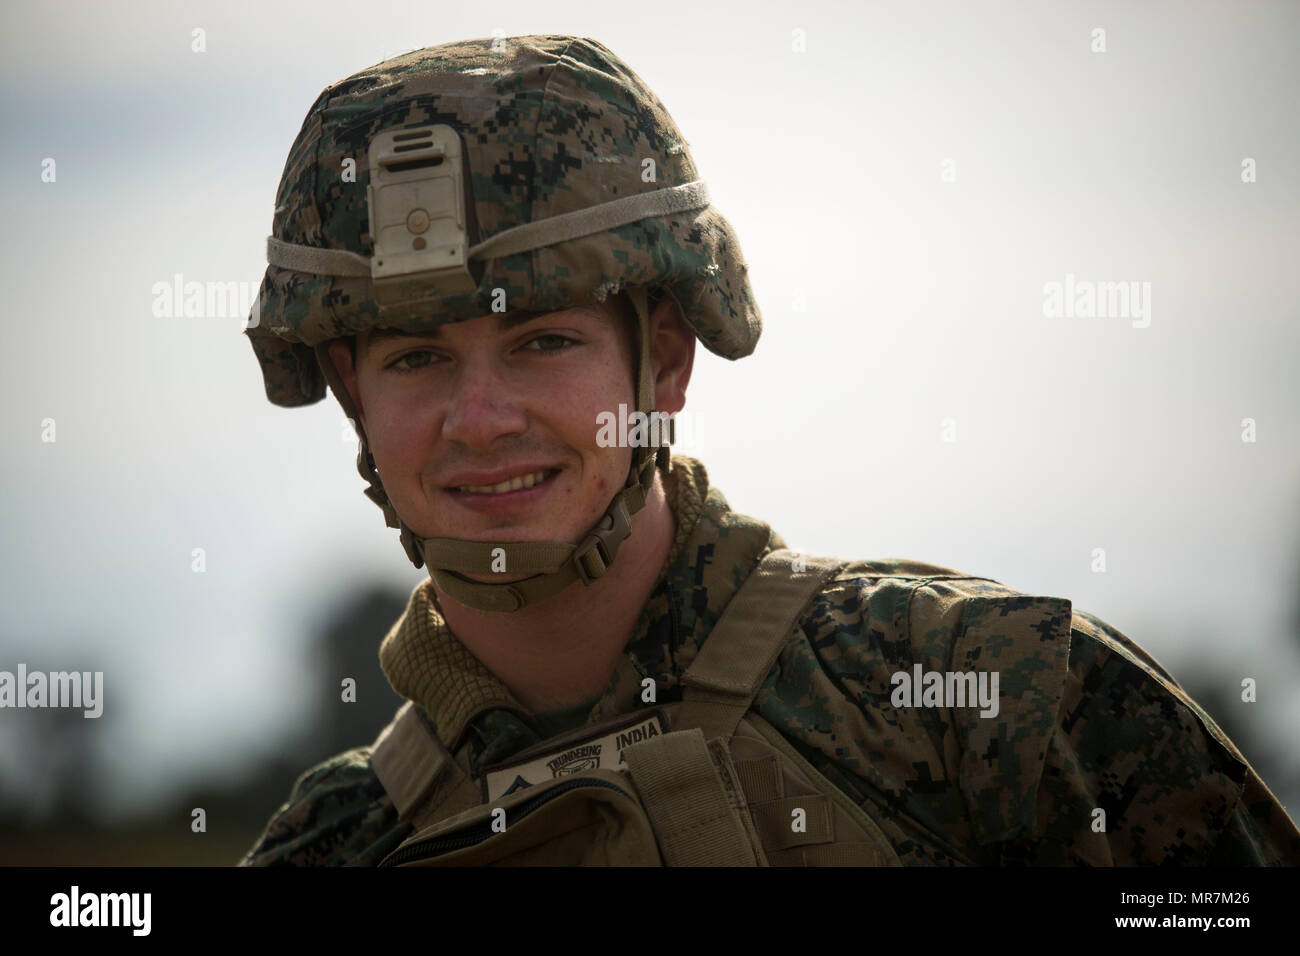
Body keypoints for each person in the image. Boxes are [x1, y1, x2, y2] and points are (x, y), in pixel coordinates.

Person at [237, 35, 1300, 866]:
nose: (479, 418)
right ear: (351, 397)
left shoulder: (980, 704)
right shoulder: (338, 843)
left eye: (543, 341)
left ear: (663, 368)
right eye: (417, 358)